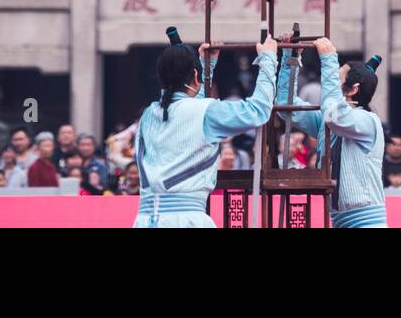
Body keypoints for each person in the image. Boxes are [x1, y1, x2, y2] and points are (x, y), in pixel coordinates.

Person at [132, 29, 277, 227]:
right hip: (187, 220)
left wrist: (205, 67)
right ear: (194, 75)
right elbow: (258, 110)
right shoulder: (204, 111)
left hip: (145, 220)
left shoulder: (149, 114)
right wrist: (268, 59)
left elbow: (189, 113)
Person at [276, 37, 388, 228]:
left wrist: (328, 60)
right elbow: (286, 107)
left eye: (336, 79)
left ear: (353, 89)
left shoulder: (367, 121)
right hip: (340, 222)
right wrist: (291, 59)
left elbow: (334, 114)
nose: (329, 84)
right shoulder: (329, 122)